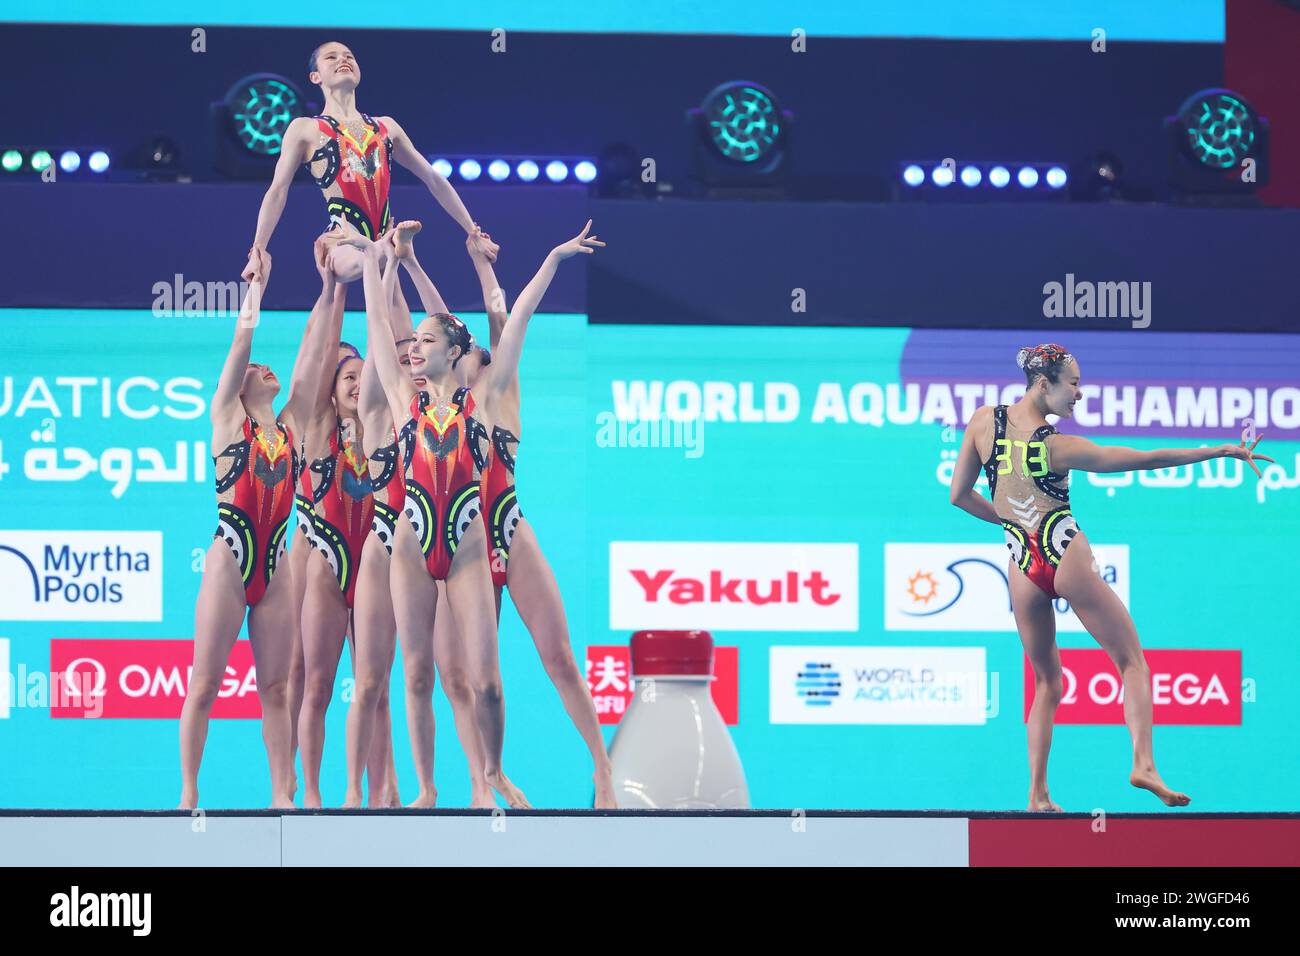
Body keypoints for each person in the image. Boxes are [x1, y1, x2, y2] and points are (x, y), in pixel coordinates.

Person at [947, 343, 1273, 810]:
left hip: (1021, 567)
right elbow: (1143, 459)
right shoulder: (1058, 446)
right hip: (1065, 557)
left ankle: (1037, 795)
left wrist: (1009, 522)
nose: (1079, 394)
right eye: (1073, 384)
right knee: (1133, 663)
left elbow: (959, 495)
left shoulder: (982, 422)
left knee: (1047, 683)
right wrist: (1219, 450)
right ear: (1044, 385)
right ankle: (1143, 764)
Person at [447, 222, 617, 808]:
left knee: (560, 659)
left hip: (508, 529)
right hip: (463, 546)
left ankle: (602, 770)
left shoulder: (501, 389)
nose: (475, 349)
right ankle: (486, 779)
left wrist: (550, 257)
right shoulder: (438, 405)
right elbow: (442, 327)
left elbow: (510, 312)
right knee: (478, 682)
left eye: (477, 347)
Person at [179, 241, 336, 809]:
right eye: (252, 369)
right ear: (238, 387)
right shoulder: (225, 417)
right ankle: (189, 793)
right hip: (229, 556)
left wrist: (329, 288)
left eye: (266, 367)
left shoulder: (292, 425)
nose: (261, 366)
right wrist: (256, 287)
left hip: (274, 564)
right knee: (206, 683)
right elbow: (242, 341)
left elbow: (315, 358)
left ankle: (282, 796)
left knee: (277, 687)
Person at [240, 40, 498, 286]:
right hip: (342, 242)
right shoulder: (306, 128)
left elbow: (432, 178)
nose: (343, 59)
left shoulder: (386, 126)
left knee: (401, 330)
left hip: (385, 237)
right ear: (315, 77)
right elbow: (278, 190)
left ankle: (391, 249)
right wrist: (258, 249)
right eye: (331, 57)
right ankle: (393, 249)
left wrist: (472, 231)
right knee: (370, 257)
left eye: (349, 56)